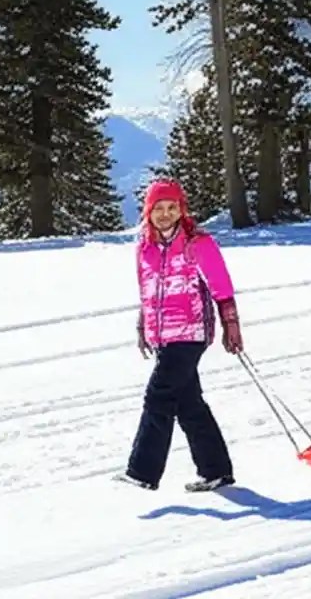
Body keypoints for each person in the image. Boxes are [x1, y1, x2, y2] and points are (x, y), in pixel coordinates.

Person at [114, 179, 244, 492]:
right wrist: (144, 326)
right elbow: (147, 292)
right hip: (164, 336)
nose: (165, 214)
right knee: (189, 404)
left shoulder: (198, 243)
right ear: (148, 212)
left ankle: (142, 471)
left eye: (172, 207)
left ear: (181, 210)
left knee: (158, 395)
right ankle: (216, 470)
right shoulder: (144, 247)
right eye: (158, 208)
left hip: (191, 332)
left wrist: (231, 324)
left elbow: (222, 287)